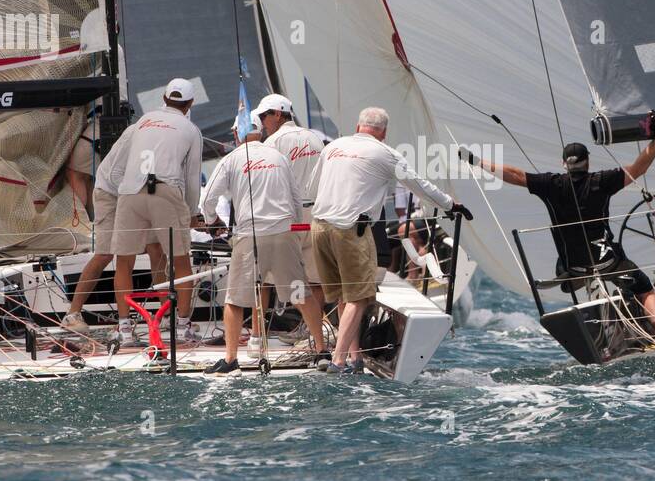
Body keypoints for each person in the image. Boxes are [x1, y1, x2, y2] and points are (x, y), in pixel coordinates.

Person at [311, 106, 469, 374]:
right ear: (383, 132)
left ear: (358, 125)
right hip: (350, 230)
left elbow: (313, 185)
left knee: (342, 295)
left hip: (319, 227)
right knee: (359, 297)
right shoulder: (385, 153)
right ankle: (338, 362)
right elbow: (419, 185)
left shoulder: (332, 148)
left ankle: (355, 356)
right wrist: (450, 204)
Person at [469, 133, 655, 337]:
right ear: (587, 161)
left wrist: (477, 161)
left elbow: (515, 174)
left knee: (572, 266)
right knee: (646, 291)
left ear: (564, 164)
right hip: (607, 262)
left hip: (573, 267)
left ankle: (600, 311)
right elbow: (639, 168)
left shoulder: (551, 184)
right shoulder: (603, 180)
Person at [200, 119, 328, 375]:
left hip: (250, 235)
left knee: (235, 300)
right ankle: (322, 351)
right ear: (261, 132)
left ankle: (230, 360)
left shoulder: (231, 159)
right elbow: (295, 197)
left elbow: (208, 198)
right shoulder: (279, 157)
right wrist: (291, 225)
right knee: (300, 293)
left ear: (236, 133)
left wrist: (211, 220)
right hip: (284, 232)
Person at [112, 78, 204, 343]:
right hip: (164, 190)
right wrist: (192, 213)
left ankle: (124, 328)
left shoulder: (142, 121)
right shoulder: (190, 128)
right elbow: (191, 177)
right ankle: (182, 325)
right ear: (189, 104)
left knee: (124, 261)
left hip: (129, 192)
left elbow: (121, 163)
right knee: (181, 261)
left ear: (164, 98)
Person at [61, 127, 165, 332]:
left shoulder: (170, 137)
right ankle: (73, 315)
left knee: (156, 248)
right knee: (107, 253)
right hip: (110, 191)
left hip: (137, 193)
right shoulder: (140, 135)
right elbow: (117, 174)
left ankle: (167, 314)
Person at [255, 94, 327, 313]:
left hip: (287, 217)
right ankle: (310, 330)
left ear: (277, 114)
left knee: (267, 277)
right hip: (315, 215)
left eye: (263, 116)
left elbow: (265, 183)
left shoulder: (272, 143)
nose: (262, 122)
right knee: (315, 277)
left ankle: (259, 333)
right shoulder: (315, 139)